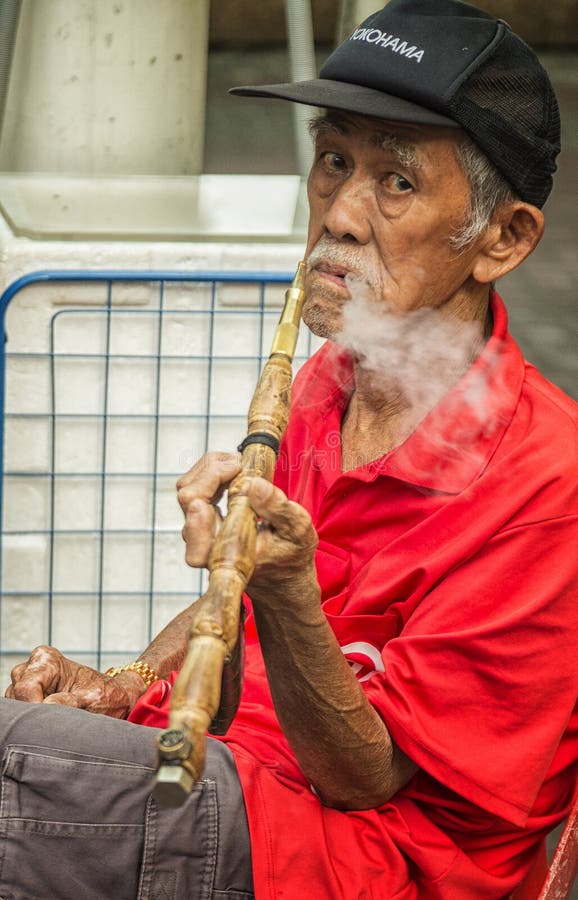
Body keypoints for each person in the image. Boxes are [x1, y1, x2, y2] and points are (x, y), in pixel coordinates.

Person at [2, 1, 577, 898]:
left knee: (15, 772)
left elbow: (367, 779)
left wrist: (286, 591)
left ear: (502, 239)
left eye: (397, 182)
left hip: (351, 857)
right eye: (335, 160)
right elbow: (226, 616)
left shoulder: (550, 485)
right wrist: (123, 685)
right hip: (232, 775)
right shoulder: (328, 386)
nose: (340, 215)